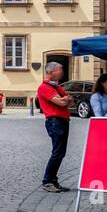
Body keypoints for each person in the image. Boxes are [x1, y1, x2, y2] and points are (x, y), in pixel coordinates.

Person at [36, 62, 72, 193]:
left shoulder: (57, 87)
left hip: (62, 120)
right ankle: (47, 181)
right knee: (57, 153)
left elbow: (70, 99)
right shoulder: (44, 87)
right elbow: (62, 102)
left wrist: (65, 99)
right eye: (60, 70)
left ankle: (53, 180)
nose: (62, 72)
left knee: (60, 153)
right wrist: (65, 99)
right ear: (51, 72)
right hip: (55, 121)